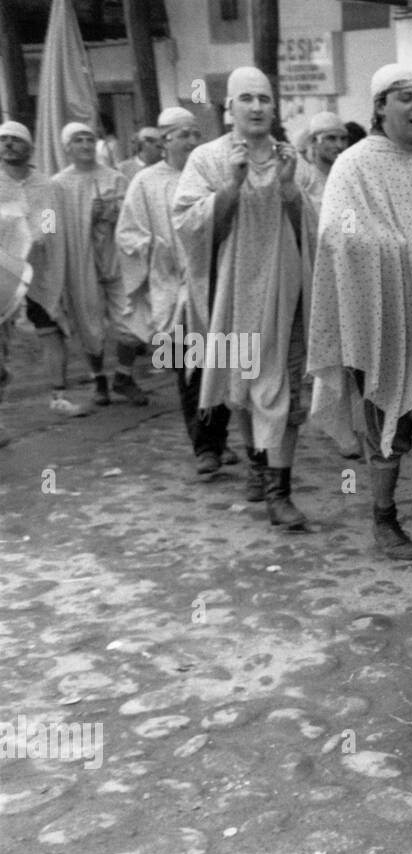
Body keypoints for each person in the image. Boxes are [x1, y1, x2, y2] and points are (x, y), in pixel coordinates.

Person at [308, 65, 412, 567]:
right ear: (380, 106)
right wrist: (404, 250)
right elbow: (337, 236)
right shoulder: (352, 166)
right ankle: (383, 520)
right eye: (406, 97)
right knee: (389, 434)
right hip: (383, 321)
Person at [173, 67, 317, 530]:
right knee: (242, 387)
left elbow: (321, 228)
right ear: (229, 108)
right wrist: (231, 187)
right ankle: (257, 463)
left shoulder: (292, 158)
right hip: (230, 300)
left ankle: (280, 491)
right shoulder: (208, 160)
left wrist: (292, 190)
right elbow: (186, 225)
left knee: (286, 391)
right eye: (246, 99)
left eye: (265, 99)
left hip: (288, 298)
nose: (256, 107)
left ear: (275, 107)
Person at [117, 107, 232, 478]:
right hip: (171, 289)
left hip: (215, 282)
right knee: (187, 368)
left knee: (223, 363)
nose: (192, 141)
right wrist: (153, 245)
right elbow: (126, 234)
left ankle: (219, 438)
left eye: (196, 133)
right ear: (164, 140)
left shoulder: (210, 176)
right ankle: (205, 446)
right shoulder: (145, 182)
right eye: (183, 134)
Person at [52, 122, 149, 407]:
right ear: (67, 147)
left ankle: (124, 374)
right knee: (89, 326)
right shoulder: (57, 184)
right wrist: (85, 219)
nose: (84, 145)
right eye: (78, 140)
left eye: (89, 139)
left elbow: (135, 216)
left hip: (117, 261)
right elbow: (49, 225)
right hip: (81, 264)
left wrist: (114, 213)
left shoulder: (116, 178)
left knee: (133, 321)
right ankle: (99, 379)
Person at [0, 120, 82, 417]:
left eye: (15, 139)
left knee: (51, 330)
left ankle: (58, 397)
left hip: (40, 269)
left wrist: (39, 235)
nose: (9, 144)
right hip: (4, 272)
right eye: (4, 139)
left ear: (29, 147)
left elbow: (50, 218)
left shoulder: (46, 184)